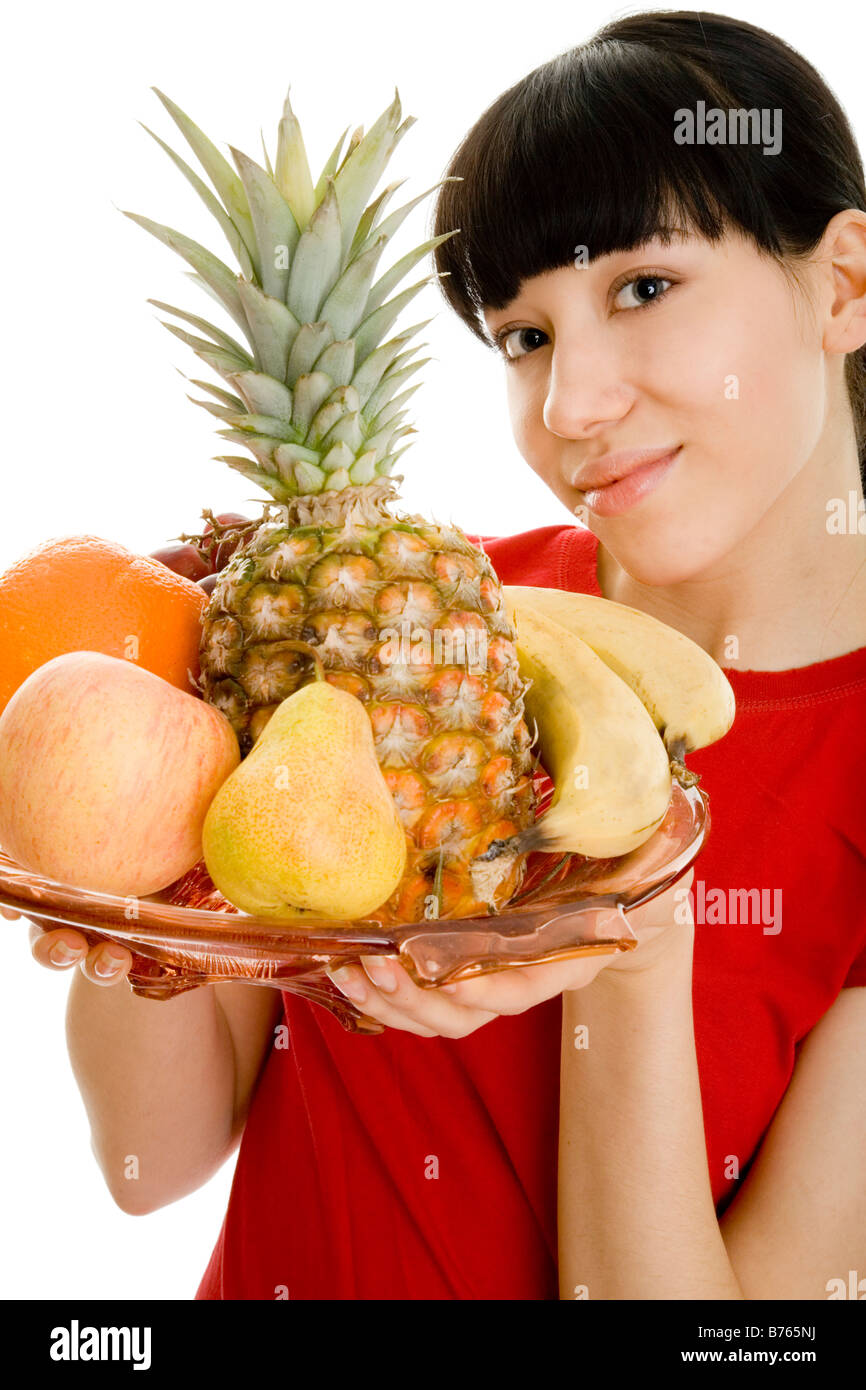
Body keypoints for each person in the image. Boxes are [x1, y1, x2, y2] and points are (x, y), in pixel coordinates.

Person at [7, 10, 866, 1299]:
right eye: (524, 336)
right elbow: (147, 1166)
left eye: (643, 287)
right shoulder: (402, 624)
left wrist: (628, 934)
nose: (572, 407)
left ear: (845, 284)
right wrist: (149, 906)